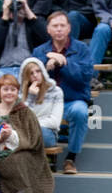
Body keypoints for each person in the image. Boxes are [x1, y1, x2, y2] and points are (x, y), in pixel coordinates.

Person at [0, 72, 54, 193]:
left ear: (17, 91)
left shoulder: (24, 112)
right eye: (5, 89)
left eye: (13, 89)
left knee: (15, 161)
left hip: (21, 152)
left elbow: (33, 138)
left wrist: (12, 136)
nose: (9, 93)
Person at [31, 11, 94, 174]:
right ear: (48, 30)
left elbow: (85, 78)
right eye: (55, 26)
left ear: (69, 28)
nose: (59, 29)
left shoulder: (82, 49)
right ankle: (37, 161)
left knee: (81, 112)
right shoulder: (39, 51)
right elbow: (31, 77)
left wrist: (64, 62)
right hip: (45, 103)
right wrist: (46, 65)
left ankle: (71, 158)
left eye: (62, 26)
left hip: (72, 100)